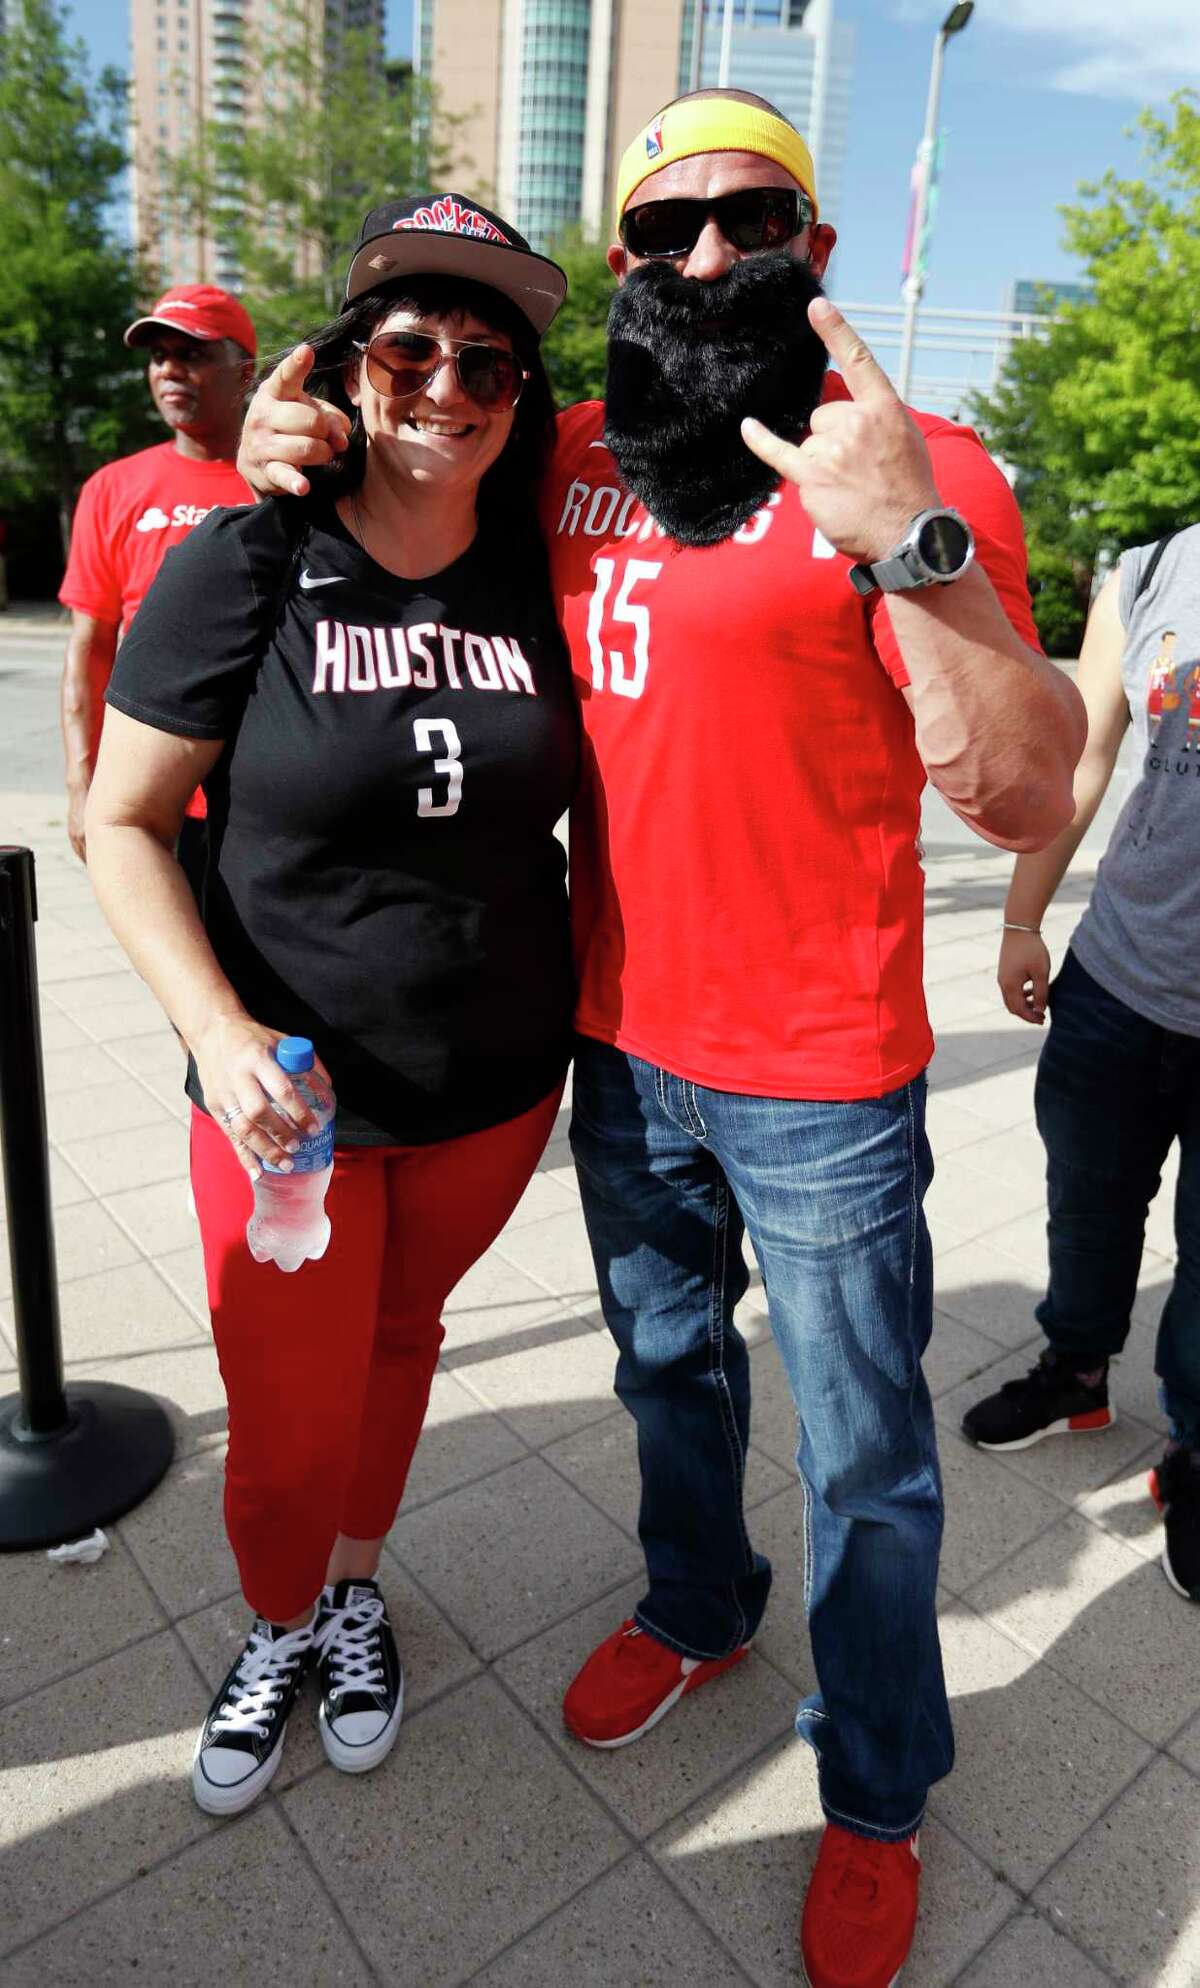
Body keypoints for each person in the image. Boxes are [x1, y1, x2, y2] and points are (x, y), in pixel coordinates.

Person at [239, 95, 1085, 1988]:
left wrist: (912, 543)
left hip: (823, 1069)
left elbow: (1026, 795)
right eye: (665, 230)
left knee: (869, 1457)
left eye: (751, 217)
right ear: (620, 264)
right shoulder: (578, 456)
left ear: (818, 246)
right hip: (617, 1041)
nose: (707, 258)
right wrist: (276, 442)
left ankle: (875, 1788)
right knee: (666, 1372)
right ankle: (700, 1601)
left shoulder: (920, 460)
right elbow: (405, 460)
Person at [84, 197, 577, 1818]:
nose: (449, 381)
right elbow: (121, 820)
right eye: (411, 345)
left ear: (526, 392)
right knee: (287, 1423)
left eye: (489, 359)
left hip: (493, 1085)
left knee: (400, 1339)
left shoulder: (542, 562)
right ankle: (279, 1613)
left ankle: (350, 1590)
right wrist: (219, 1036)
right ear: (349, 364)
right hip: (289, 1092)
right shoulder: (252, 553)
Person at [963, 525, 1200, 1608]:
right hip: (1118, 976)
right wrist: (1023, 917)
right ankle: (1079, 1371)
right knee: (1089, 1206)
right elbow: (1089, 755)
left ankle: (1194, 1447)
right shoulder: (1153, 570)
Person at [58, 284, 256, 880]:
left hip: (273, 797)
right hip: (155, 800)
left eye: (192, 353)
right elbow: (90, 648)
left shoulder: (291, 479)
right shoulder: (113, 489)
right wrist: (82, 784)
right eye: (158, 355)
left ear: (245, 370)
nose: (170, 368)